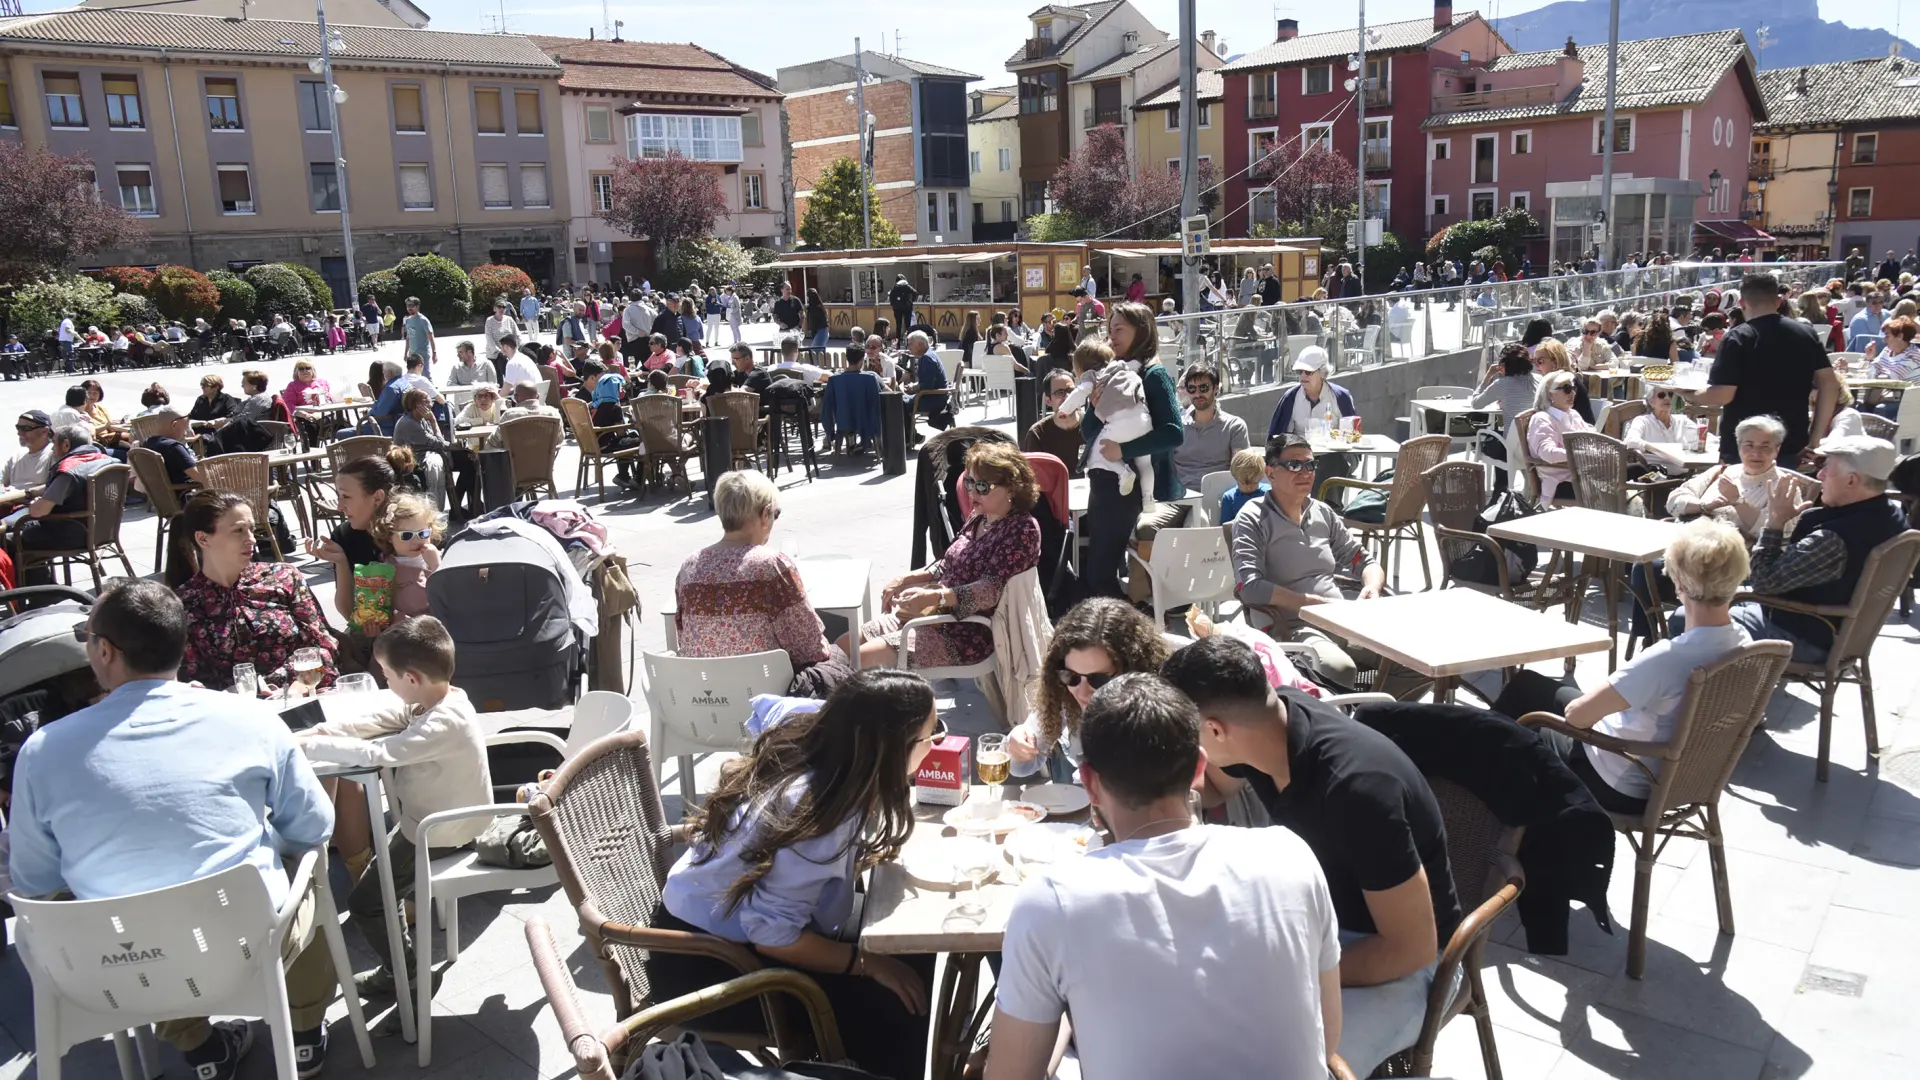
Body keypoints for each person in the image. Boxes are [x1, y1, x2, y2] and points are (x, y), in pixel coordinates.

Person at [6, 579, 340, 1080]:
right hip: (252, 942)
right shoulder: (250, 718)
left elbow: (34, 881)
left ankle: (199, 1046)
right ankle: (304, 1031)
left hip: (117, 965)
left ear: (102, 650)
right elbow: (312, 823)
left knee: (127, 899)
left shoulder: (41, 751)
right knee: (303, 864)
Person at [988, 673, 1341, 1080]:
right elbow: (1325, 1041)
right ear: (1198, 769)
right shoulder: (1291, 854)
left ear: (1089, 784)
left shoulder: (1048, 902)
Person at [1161, 636, 1457, 1077]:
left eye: (1185, 738)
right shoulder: (1268, 721)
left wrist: (1294, 970)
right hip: (1321, 926)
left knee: (1276, 1066)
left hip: (1409, 964)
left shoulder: (1358, 789)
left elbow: (1412, 948)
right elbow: (1217, 786)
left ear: (1215, 730)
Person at [657, 669, 939, 1080]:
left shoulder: (828, 736)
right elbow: (771, 934)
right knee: (895, 999)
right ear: (890, 747)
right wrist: (865, 963)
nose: (934, 746)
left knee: (914, 954)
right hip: (706, 965)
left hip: (720, 926)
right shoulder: (824, 809)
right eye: (930, 736)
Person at [1496, 519, 1757, 815]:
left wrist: (1606, 698)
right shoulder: (1746, 644)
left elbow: (1577, 717)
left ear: (1679, 583)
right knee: (1529, 684)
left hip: (1619, 781)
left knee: (1517, 722)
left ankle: (1474, 802)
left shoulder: (1668, 658)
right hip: (1683, 779)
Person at [298, 615, 492, 998]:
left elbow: (382, 751)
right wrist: (326, 730)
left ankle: (407, 974)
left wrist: (311, 746)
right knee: (380, 879)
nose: (385, 681)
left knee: (365, 903)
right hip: (433, 820)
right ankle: (403, 958)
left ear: (412, 679)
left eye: (387, 675)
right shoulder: (442, 700)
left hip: (440, 830)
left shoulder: (440, 723)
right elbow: (390, 718)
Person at [847, 442, 1042, 668]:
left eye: (983, 486)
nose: (972, 492)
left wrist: (935, 597)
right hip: (934, 616)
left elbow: (991, 591)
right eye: (969, 483)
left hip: (967, 632)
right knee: (846, 646)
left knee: (860, 659)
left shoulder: (1022, 529)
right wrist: (905, 579)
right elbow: (948, 564)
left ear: (1011, 489)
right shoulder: (980, 517)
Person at [1229, 435, 1390, 691]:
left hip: (1341, 618)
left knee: (1415, 658)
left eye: (1311, 465)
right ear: (1270, 473)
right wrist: (1317, 605)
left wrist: (1373, 587)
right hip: (1291, 626)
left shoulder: (1322, 512)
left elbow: (1363, 559)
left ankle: (1377, 716)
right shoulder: (1253, 517)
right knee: (1340, 669)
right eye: (1294, 465)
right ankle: (1348, 719)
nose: (1305, 472)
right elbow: (1250, 586)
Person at [1730, 435, 1907, 663]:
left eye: (1825, 467)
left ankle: (1726, 694)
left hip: (1807, 638)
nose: (1819, 475)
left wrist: (1774, 522)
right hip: (1844, 631)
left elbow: (1762, 583)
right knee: (1724, 591)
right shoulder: (1892, 513)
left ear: (1851, 481)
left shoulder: (1834, 538)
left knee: (1687, 616)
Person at [675, 471, 854, 696]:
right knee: (838, 657)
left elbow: (684, 637)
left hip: (707, 699)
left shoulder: (689, 566)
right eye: (775, 514)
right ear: (765, 514)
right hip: (767, 698)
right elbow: (811, 648)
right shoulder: (771, 565)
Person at [166, 491, 339, 692]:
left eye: (251, 529)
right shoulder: (183, 603)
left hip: (307, 694)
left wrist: (295, 689)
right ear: (203, 539)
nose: (251, 539)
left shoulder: (283, 577)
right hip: (235, 712)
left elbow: (324, 645)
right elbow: (192, 678)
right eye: (238, 531)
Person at [1079, 301, 1182, 600]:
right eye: (1110, 329)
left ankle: (1134, 624)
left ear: (1143, 330)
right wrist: (1094, 407)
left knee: (1099, 575)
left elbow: (1174, 432)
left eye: (1120, 329)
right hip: (1104, 484)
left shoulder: (1153, 375)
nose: (1112, 337)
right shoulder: (1115, 372)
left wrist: (1124, 449)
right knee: (1099, 570)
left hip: (1132, 487)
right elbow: (1088, 432)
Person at [1684, 273, 1839, 468]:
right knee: (1782, 497)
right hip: (1791, 442)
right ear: (1779, 301)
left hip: (1745, 447)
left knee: (1739, 498)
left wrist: (1688, 394)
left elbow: (1722, 394)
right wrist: (1814, 439)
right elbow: (1830, 385)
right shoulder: (1806, 333)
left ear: (1741, 302)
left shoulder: (1737, 337)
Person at [1009, 596, 1169, 783]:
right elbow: (1022, 764)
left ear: (1133, 668)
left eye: (1098, 679)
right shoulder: (1064, 691)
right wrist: (1018, 745)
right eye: (1071, 676)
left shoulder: (1166, 705)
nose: (1082, 693)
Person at [305, 446, 416, 626]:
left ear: (377, 498)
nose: (340, 506)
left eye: (346, 497)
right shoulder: (345, 536)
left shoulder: (410, 533)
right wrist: (340, 562)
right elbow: (349, 613)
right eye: (339, 496)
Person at [1057, 339, 1155, 498]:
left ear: (1080, 367)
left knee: (1097, 451)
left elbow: (1081, 391)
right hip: (1143, 419)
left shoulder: (1092, 376)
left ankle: (1123, 472)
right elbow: (1137, 365)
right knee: (1145, 463)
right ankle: (1149, 498)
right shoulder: (1121, 367)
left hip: (1119, 423)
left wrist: (1065, 409)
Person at [1473, 343, 1543, 494]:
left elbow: (1476, 403)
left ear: (1503, 364)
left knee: (1495, 439)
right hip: (1534, 446)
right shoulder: (1539, 380)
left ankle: (1500, 491)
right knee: (1505, 437)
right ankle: (1518, 489)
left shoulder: (1502, 384)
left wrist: (1487, 377)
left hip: (1513, 450)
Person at [1527, 371, 1592, 501]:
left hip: (1584, 475)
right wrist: (1582, 454)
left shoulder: (1572, 414)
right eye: (1567, 389)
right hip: (1563, 480)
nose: (1573, 393)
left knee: (1633, 471)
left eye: (1573, 388)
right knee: (1631, 474)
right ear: (1550, 394)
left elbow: (1591, 438)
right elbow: (1548, 453)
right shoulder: (1542, 419)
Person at [1267, 346, 1358, 439]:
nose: (1303, 376)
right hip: (1300, 452)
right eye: (1300, 371)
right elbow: (1277, 438)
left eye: (1308, 372)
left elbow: (1353, 435)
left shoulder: (1341, 397)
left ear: (1322, 372)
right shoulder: (1290, 398)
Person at [1020, 369, 1084, 471]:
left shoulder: (1092, 424)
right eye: (1060, 393)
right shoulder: (1037, 434)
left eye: (1071, 391)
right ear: (1048, 400)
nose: (1067, 397)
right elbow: (1032, 475)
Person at [1622, 385, 1696, 472]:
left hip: (1685, 474)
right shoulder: (1643, 421)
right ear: (1651, 401)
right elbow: (1630, 441)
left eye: (1670, 394)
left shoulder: (1682, 420)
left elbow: (1702, 435)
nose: (1667, 398)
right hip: (1656, 475)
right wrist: (1654, 448)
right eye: (1661, 395)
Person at [900, 330, 952, 432]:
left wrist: (913, 387)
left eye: (910, 344)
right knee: (901, 400)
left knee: (898, 403)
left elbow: (928, 385)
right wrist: (914, 385)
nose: (908, 347)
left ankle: (908, 435)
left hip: (934, 399)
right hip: (936, 396)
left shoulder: (927, 358)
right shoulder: (930, 354)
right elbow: (927, 382)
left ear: (920, 344)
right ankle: (910, 434)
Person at [488, 381, 562, 452]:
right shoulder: (553, 413)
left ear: (516, 397)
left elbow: (494, 441)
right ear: (538, 396)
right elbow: (559, 439)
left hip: (514, 462)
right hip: (545, 462)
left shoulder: (510, 415)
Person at [141, 406, 201, 486]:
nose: (185, 434)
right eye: (185, 429)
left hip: (161, 495)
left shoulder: (147, 444)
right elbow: (199, 477)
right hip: (186, 495)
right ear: (174, 425)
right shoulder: (173, 447)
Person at [1865, 313, 1920, 386]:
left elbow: (1890, 381)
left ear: (1900, 336)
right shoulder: (1888, 350)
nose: (1884, 340)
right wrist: (1870, 358)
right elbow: (1872, 372)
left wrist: (1875, 368)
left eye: (1887, 336)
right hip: (1888, 393)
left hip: (1907, 396)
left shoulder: (1913, 356)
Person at [1221, 445, 1269, 522]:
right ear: (1235, 477)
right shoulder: (1229, 498)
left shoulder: (1268, 494)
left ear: (1260, 478)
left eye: (1254, 483)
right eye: (1244, 483)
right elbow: (1224, 527)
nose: (1249, 487)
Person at [402, 295, 438, 376]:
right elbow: (408, 338)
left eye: (412, 306)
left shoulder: (423, 320)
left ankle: (430, 388)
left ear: (417, 306)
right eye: (408, 306)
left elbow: (431, 337)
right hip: (412, 355)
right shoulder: (408, 321)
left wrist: (434, 353)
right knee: (412, 376)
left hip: (423, 354)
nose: (409, 308)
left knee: (425, 375)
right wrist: (405, 354)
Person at [888, 274, 917, 340]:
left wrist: (894, 305)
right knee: (908, 325)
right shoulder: (906, 286)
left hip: (897, 309)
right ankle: (909, 341)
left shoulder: (895, 287)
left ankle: (897, 343)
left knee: (898, 325)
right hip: (907, 307)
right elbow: (915, 292)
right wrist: (911, 301)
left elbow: (891, 297)